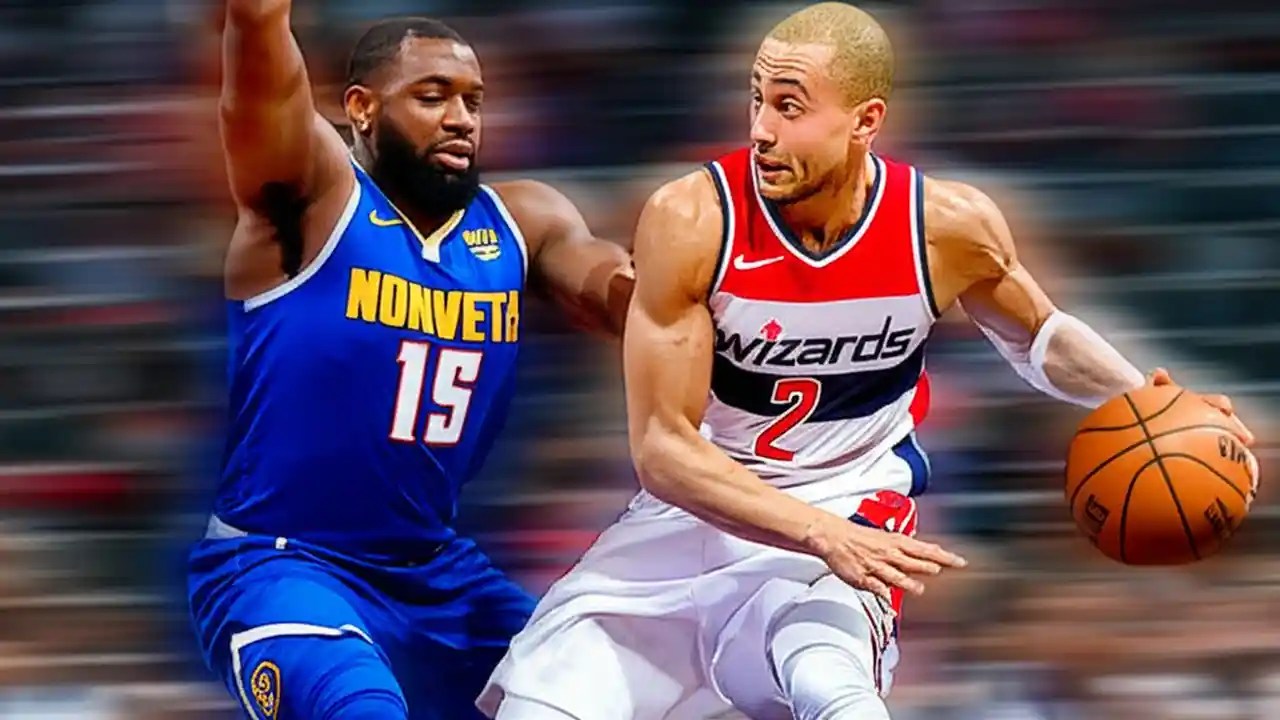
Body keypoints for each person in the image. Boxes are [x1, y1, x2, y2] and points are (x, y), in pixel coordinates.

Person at [479, 3, 1256, 719]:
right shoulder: (692, 218)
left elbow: (1038, 336)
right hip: (696, 517)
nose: (760, 130)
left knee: (835, 690)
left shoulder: (945, 225)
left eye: (789, 107)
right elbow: (662, 451)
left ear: (865, 120)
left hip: (846, 516)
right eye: (756, 101)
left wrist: (1154, 401)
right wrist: (818, 531)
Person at [187, 4, 633, 719]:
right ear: (359, 108)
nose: (461, 117)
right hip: (281, 561)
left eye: (473, 101)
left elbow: (620, 294)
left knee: (601, 698)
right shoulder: (311, 194)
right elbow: (259, 47)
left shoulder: (524, 223)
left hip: (437, 574)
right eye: (432, 96)